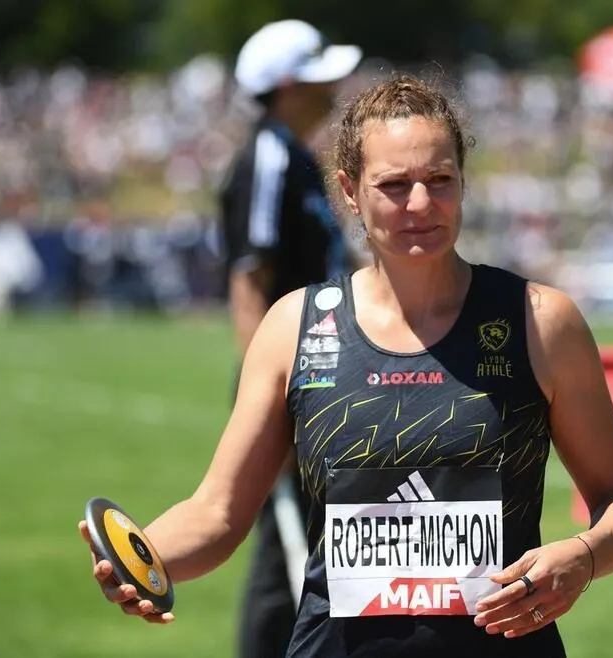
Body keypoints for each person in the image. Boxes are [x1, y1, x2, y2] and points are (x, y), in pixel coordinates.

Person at [79, 74, 613, 657]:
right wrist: (142, 559)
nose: (420, 204)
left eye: (440, 180)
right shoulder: (293, 327)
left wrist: (583, 556)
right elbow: (218, 513)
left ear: (463, 181)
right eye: (394, 185)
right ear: (350, 192)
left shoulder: (540, 321)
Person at [218, 19, 363, 658]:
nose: (333, 87)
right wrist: (272, 397)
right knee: (285, 550)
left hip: (327, 374)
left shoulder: (297, 157)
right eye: (318, 75)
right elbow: (250, 281)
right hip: (293, 380)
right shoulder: (269, 158)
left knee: (317, 536)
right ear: (285, 86)